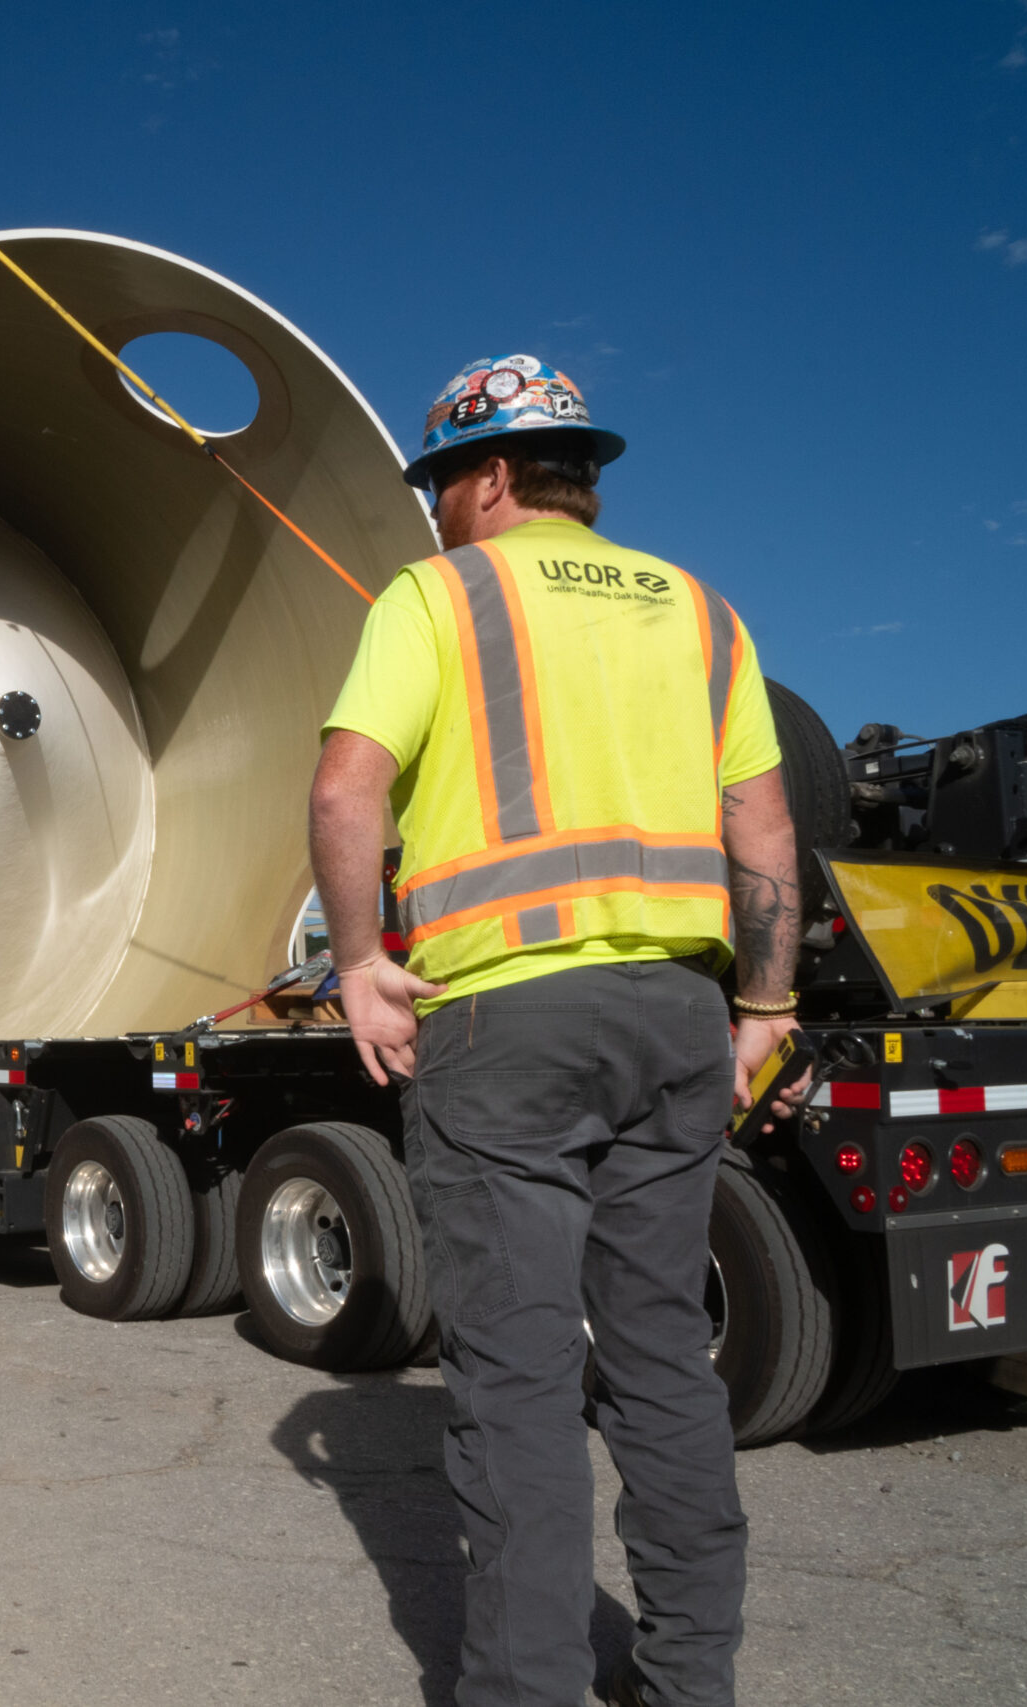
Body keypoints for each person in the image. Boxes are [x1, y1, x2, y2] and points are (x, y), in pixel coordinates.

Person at [308, 357, 811, 1707]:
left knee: (518, 1377)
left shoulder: (439, 594)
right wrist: (766, 1005)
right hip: (678, 1017)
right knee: (661, 1357)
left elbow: (347, 787)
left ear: (485, 475)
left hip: (506, 1022)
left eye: (436, 484)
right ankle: (688, 1678)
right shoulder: (702, 613)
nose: (432, 512)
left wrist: (358, 963)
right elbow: (764, 828)